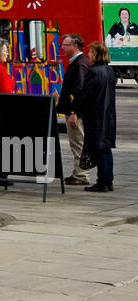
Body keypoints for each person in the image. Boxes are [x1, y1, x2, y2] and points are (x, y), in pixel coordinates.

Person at [76, 41, 117, 192]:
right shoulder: (110, 71)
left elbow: (86, 95)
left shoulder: (93, 72)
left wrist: (76, 106)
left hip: (95, 116)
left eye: (91, 52)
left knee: (99, 149)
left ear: (97, 55)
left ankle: (101, 183)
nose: (89, 55)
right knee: (106, 149)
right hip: (109, 116)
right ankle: (108, 181)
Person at [57, 32, 90, 186]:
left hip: (75, 112)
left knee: (78, 142)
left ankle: (81, 174)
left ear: (75, 46)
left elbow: (79, 90)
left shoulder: (80, 64)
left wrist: (73, 112)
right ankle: (77, 172)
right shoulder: (77, 62)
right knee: (76, 142)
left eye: (66, 45)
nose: (62, 47)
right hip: (73, 111)